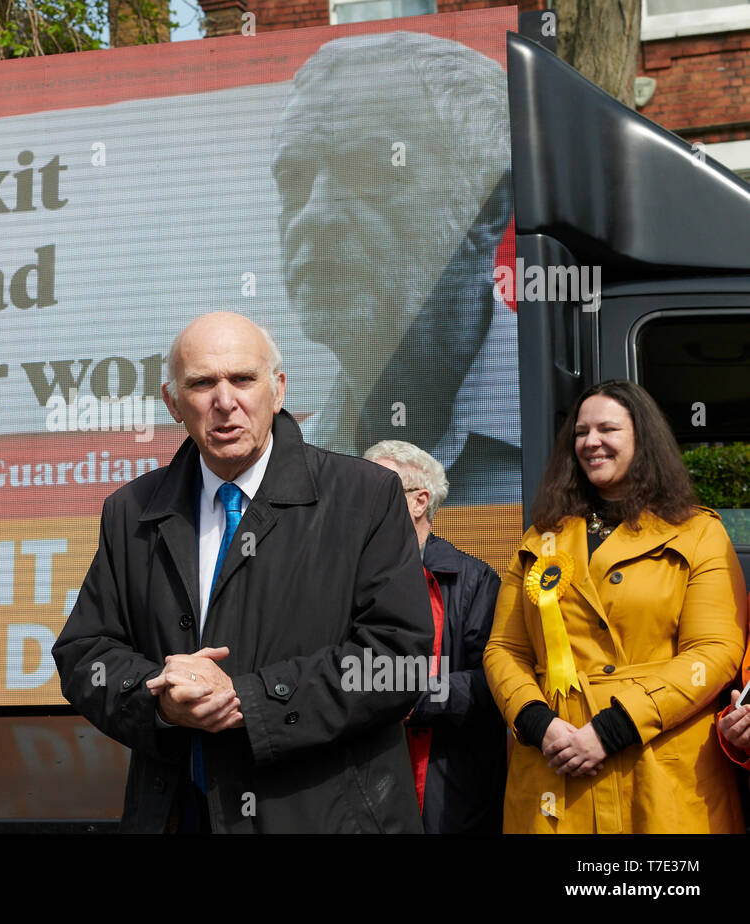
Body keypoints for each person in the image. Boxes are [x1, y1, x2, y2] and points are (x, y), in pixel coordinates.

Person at [51, 310, 434, 833]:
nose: (224, 401)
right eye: (202, 383)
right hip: (177, 814)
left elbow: (397, 657)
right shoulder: (131, 509)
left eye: (243, 379)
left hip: (323, 817)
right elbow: (84, 653)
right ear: (173, 403)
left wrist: (248, 701)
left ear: (277, 390)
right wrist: (161, 699)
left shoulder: (364, 496)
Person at [483, 380, 747, 832]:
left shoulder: (699, 533)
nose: (591, 442)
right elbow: (504, 649)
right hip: (555, 770)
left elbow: (714, 652)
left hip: (659, 772)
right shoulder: (539, 538)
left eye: (608, 429)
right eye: (580, 432)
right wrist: (535, 720)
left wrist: (613, 729)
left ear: (643, 439)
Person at [273, 31, 519, 504]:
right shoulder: (285, 474)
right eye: (293, 180)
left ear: (488, 210)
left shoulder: (572, 426)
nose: (315, 216)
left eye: (373, 169)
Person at [364, 439, 505, 833]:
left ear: (419, 501)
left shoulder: (474, 581)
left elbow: (492, 681)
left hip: (450, 786)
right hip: (365, 781)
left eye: (375, 489)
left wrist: (411, 698)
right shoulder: (344, 579)